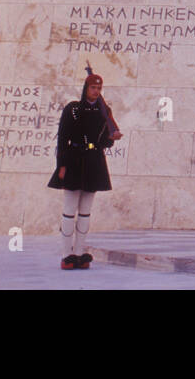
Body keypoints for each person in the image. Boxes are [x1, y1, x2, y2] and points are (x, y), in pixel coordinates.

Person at [47, 67, 122, 270]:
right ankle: (66, 254)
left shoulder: (103, 111)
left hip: (94, 160)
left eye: (99, 88)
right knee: (70, 210)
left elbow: (104, 142)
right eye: (93, 87)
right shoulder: (73, 108)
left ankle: (79, 253)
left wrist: (111, 138)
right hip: (74, 159)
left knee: (86, 211)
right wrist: (61, 165)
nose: (96, 91)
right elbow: (63, 139)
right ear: (86, 88)